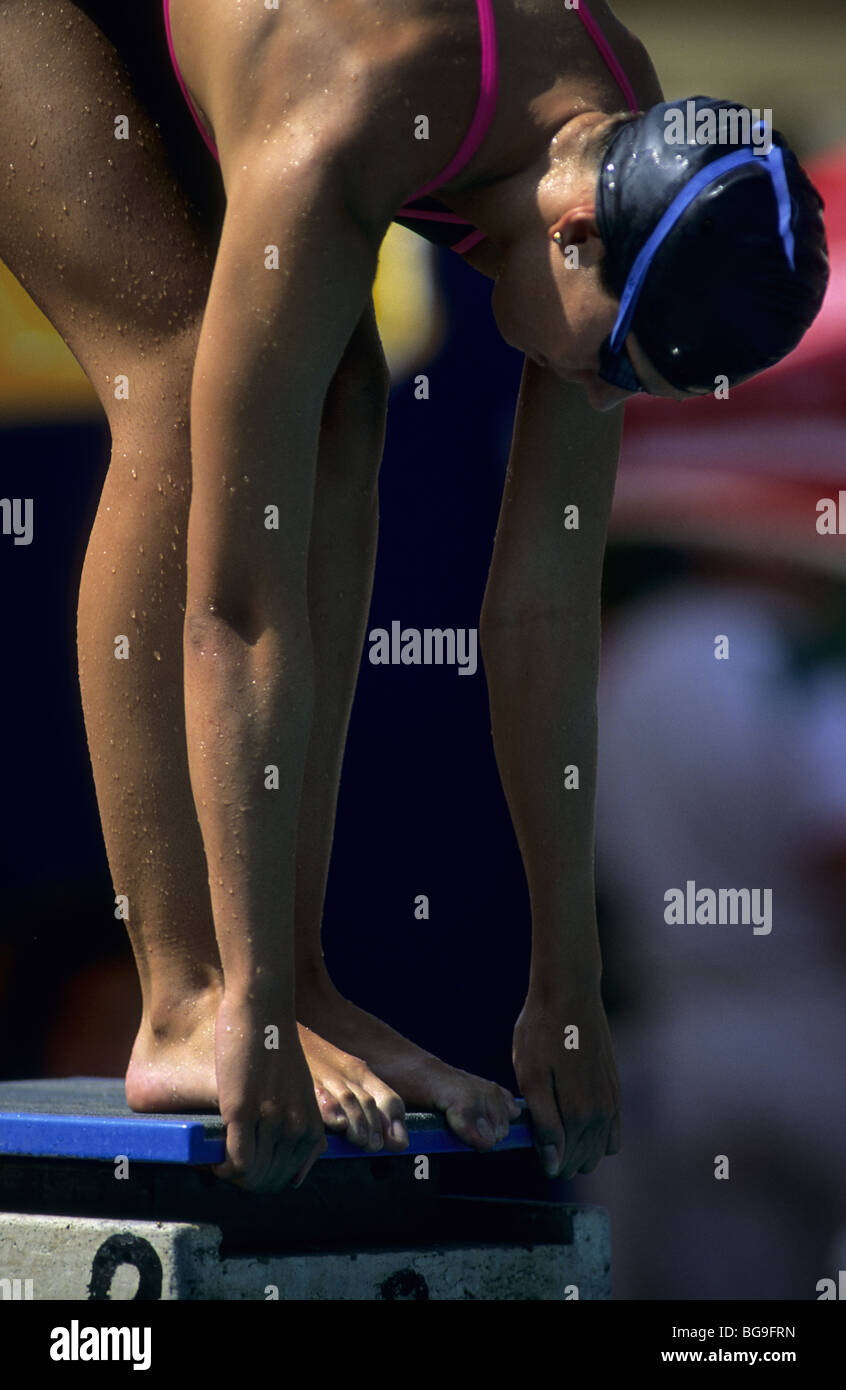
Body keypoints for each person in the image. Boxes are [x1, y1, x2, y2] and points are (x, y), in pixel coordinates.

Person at [0, 0, 828, 1193]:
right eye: (611, 365)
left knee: (340, 388)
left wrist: (571, 988)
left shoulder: (634, 160)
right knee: (180, 379)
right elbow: (235, 603)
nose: (594, 403)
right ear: (577, 222)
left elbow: (546, 600)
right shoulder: (346, 114)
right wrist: (256, 1019)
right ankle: (185, 999)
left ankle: (296, 968)